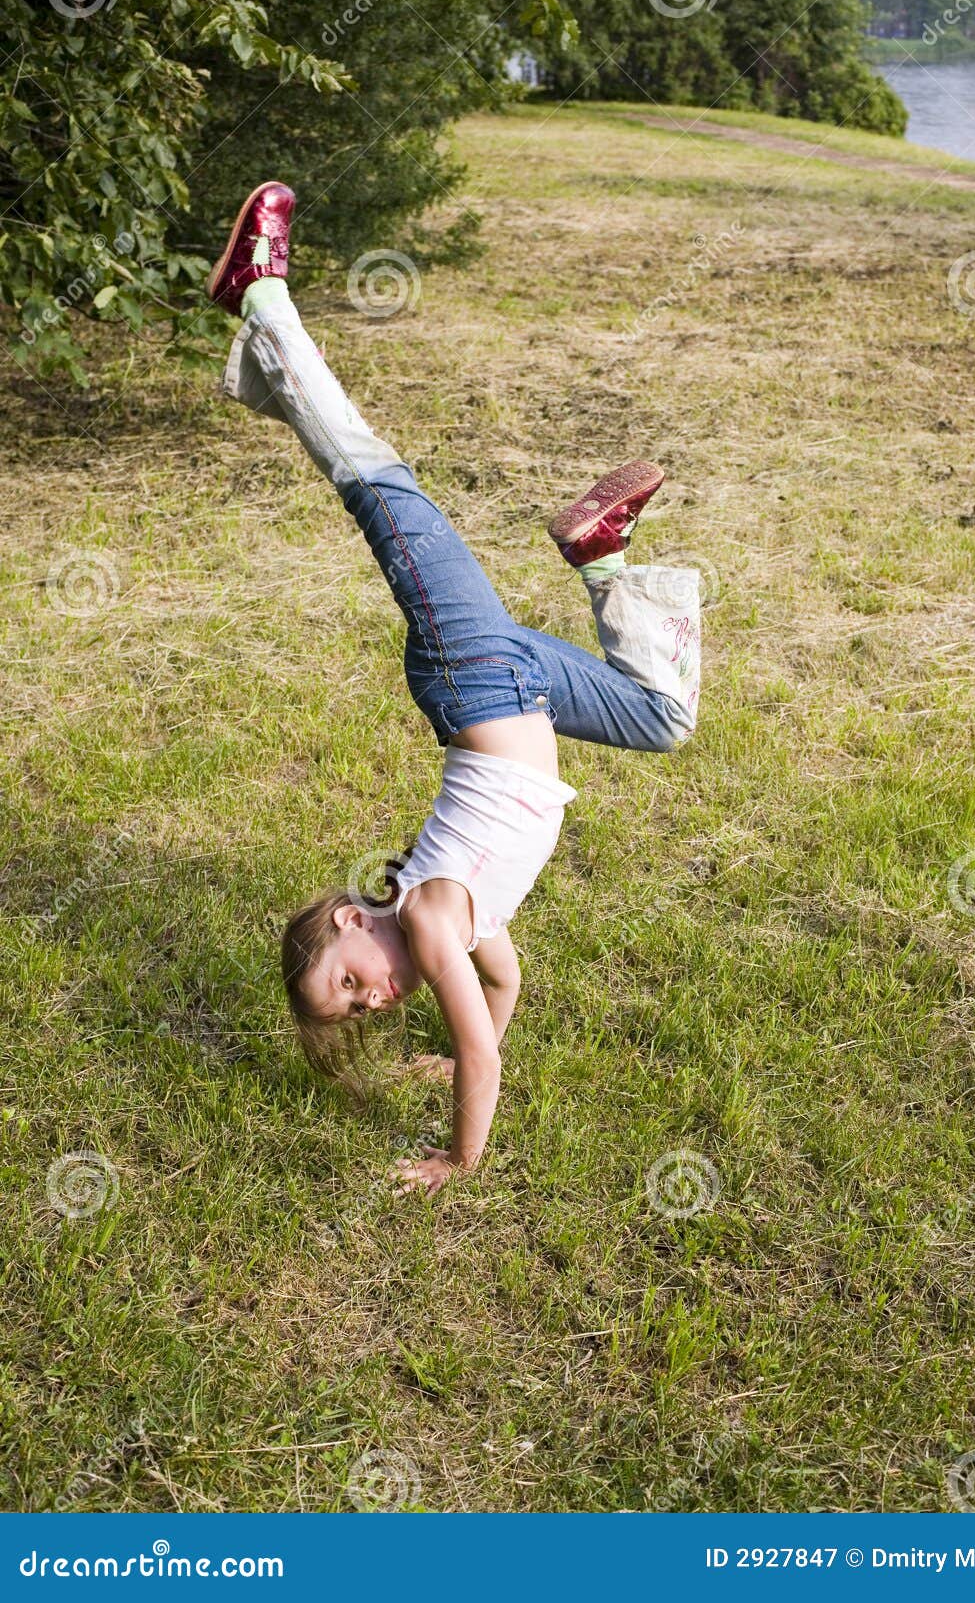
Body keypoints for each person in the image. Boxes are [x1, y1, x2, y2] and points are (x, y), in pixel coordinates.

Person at [209, 182, 702, 1196]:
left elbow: (480, 1050)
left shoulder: (430, 919)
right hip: (519, 689)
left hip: (472, 671)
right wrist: (462, 1045)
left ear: (353, 921)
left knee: (378, 486)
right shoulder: (459, 926)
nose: (371, 1000)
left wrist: (457, 1157)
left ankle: (257, 296)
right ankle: (599, 556)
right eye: (357, 1010)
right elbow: (502, 987)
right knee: (661, 718)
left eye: (347, 983)